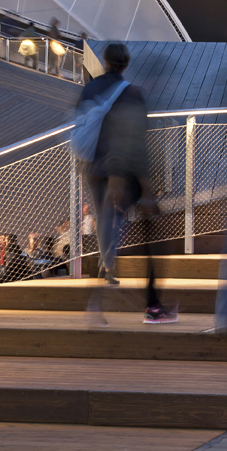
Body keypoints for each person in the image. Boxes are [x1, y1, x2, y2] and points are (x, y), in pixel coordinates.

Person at [77, 41, 166, 325]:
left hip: (92, 163)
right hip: (121, 168)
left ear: (104, 60)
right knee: (122, 220)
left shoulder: (90, 88)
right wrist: (146, 183)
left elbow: (80, 123)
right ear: (126, 63)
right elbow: (135, 139)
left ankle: (107, 268)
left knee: (105, 216)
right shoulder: (130, 93)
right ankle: (120, 281)